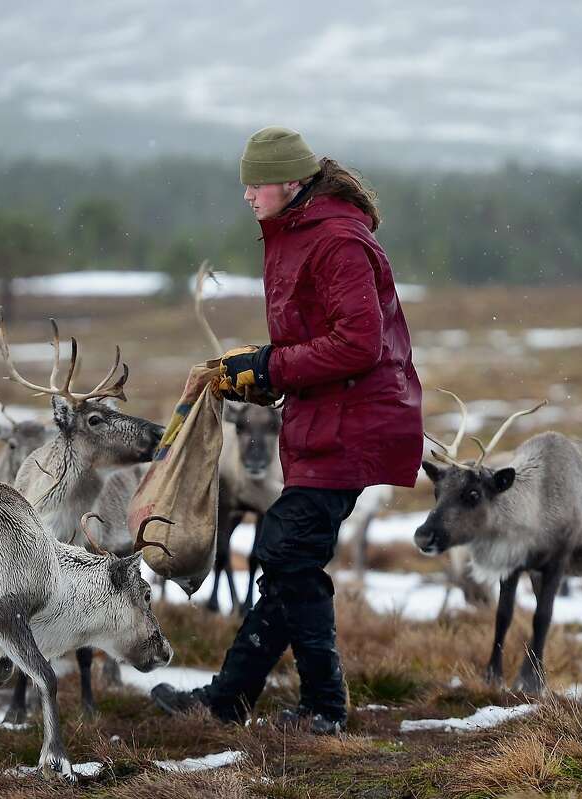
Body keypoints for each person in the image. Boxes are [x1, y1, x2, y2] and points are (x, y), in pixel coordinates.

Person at [150, 126, 423, 735]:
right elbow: (318, 338)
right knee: (287, 560)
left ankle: (323, 707)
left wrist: (272, 365)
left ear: (291, 183)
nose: (247, 195)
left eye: (257, 183)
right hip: (328, 418)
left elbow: (358, 344)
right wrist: (259, 369)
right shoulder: (300, 234)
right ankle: (229, 701)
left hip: (355, 424)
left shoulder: (336, 242)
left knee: (283, 551)